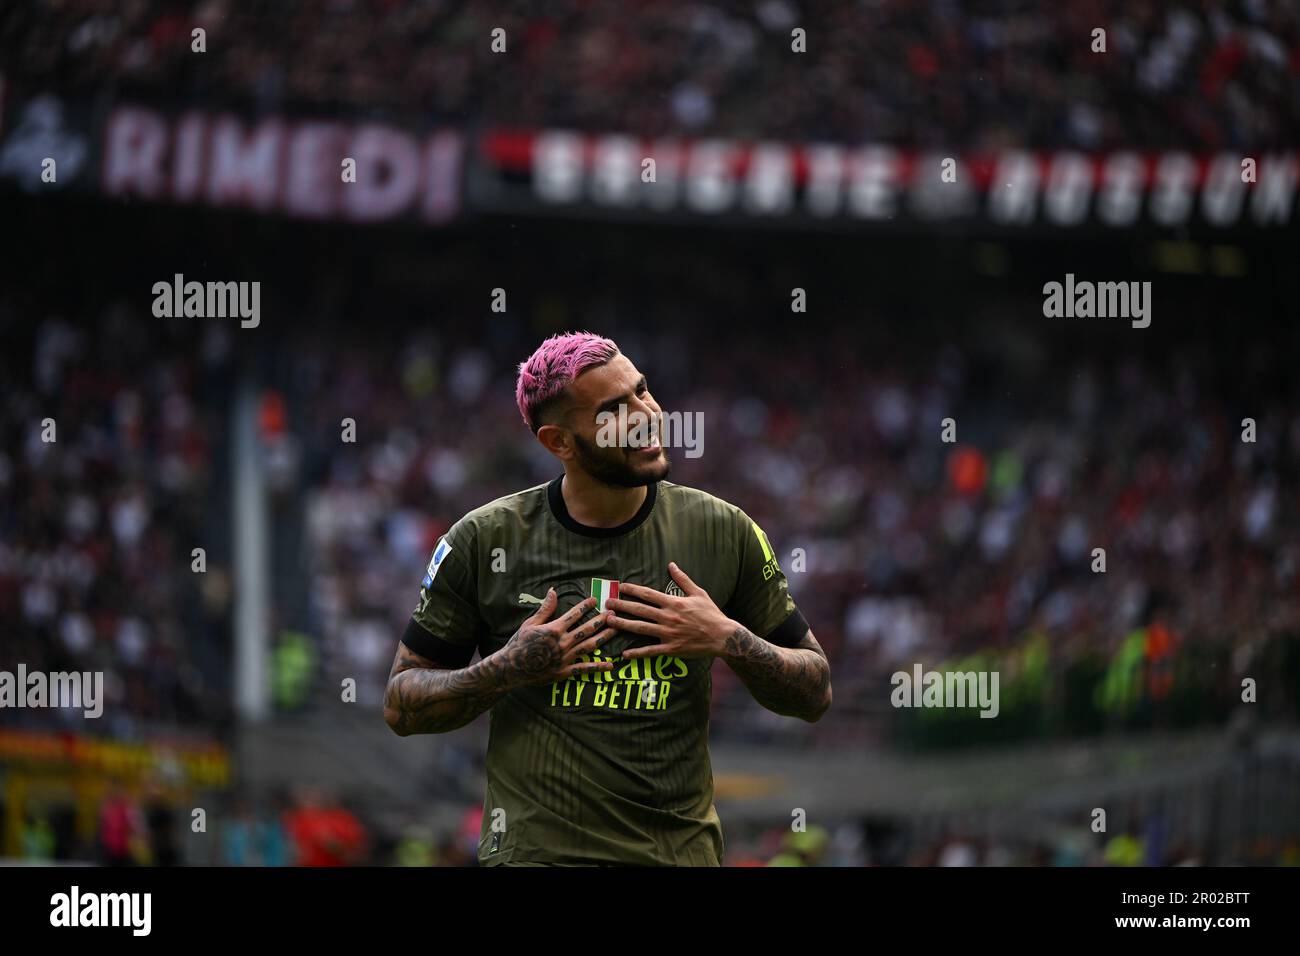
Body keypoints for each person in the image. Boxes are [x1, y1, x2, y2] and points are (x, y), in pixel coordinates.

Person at [383, 331, 831, 866]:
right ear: (559, 442)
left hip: (677, 855)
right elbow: (401, 705)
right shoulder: (484, 541)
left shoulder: (723, 531)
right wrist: (506, 669)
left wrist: (726, 638)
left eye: (642, 391)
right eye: (615, 409)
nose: (646, 414)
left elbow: (815, 692)